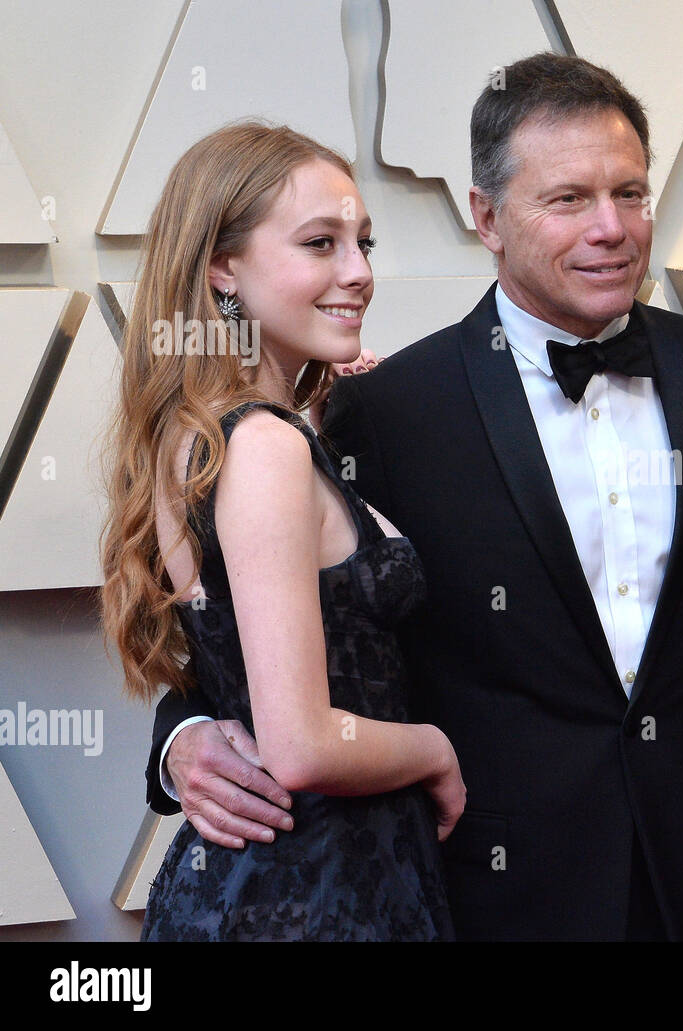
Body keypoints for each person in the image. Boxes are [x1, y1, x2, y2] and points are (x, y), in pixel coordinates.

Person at [143, 55, 683, 941]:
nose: (611, 228)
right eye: (568, 199)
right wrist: (183, 737)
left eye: (630, 194)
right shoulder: (382, 410)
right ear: (486, 217)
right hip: (493, 897)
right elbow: (269, 620)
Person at [101, 122, 465, 940]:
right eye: (320, 243)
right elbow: (299, 742)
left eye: (363, 242)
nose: (359, 273)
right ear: (222, 266)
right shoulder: (262, 445)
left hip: (263, 884)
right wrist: (436, 750)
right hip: (324, 895)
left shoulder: (193, 437)